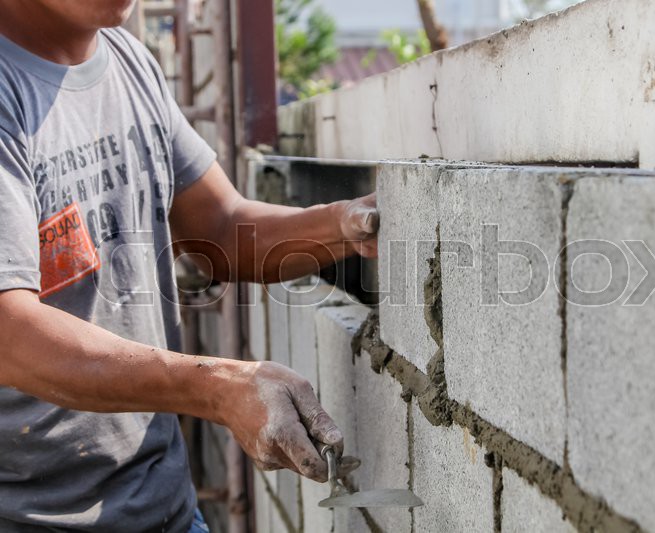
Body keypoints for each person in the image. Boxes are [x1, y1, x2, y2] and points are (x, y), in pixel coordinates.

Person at [0, 0, 379, 530]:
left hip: (164, 507)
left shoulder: (129, 61)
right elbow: (10, 335)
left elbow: (219, 228)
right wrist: (217, 387)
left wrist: (347, 223)